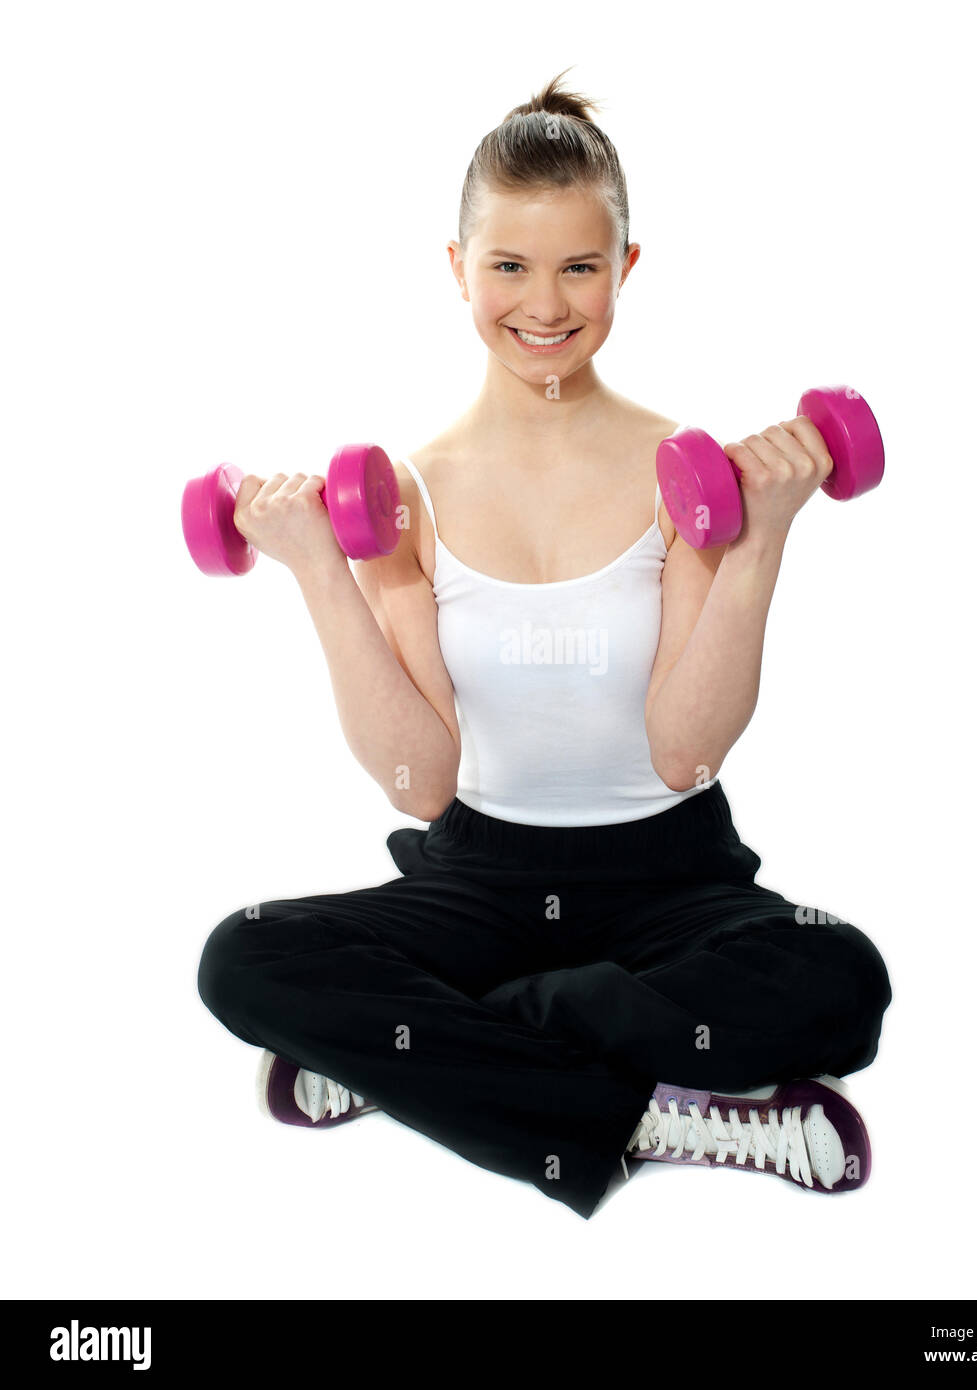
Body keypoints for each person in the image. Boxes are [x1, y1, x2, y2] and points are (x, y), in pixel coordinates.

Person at [196, 71, 893, 1220]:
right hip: (478, 881)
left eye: (578, 266)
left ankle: (411, 1057)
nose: (544, 304)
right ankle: (649, 1111)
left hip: (670, 878)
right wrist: (320, 568)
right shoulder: (404, 497)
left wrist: (761, 539)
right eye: (509, 266)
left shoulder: (688, 476)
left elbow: (684, 755)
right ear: (457, 268)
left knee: (841, 976)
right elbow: (420, 785)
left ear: (623, 267)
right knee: (244, 956)